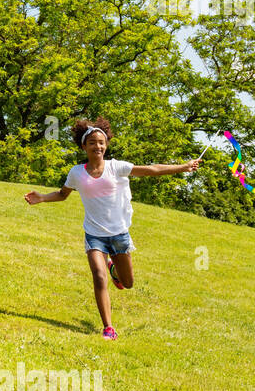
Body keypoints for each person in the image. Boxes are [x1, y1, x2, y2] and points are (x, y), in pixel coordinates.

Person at [24, 117, 200, 339]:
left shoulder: (116, 167)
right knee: (98, 277)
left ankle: (115, 269)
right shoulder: (76, 173)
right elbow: (62, 194)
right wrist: (41, 198)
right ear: (83, 146)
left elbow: (151, 170)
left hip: (119, 235)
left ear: (106, 145)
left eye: (101, 142)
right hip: (94, 235)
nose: (97, 146)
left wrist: (183, 167)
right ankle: (108, 327)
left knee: (127, 283)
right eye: (92, 143)